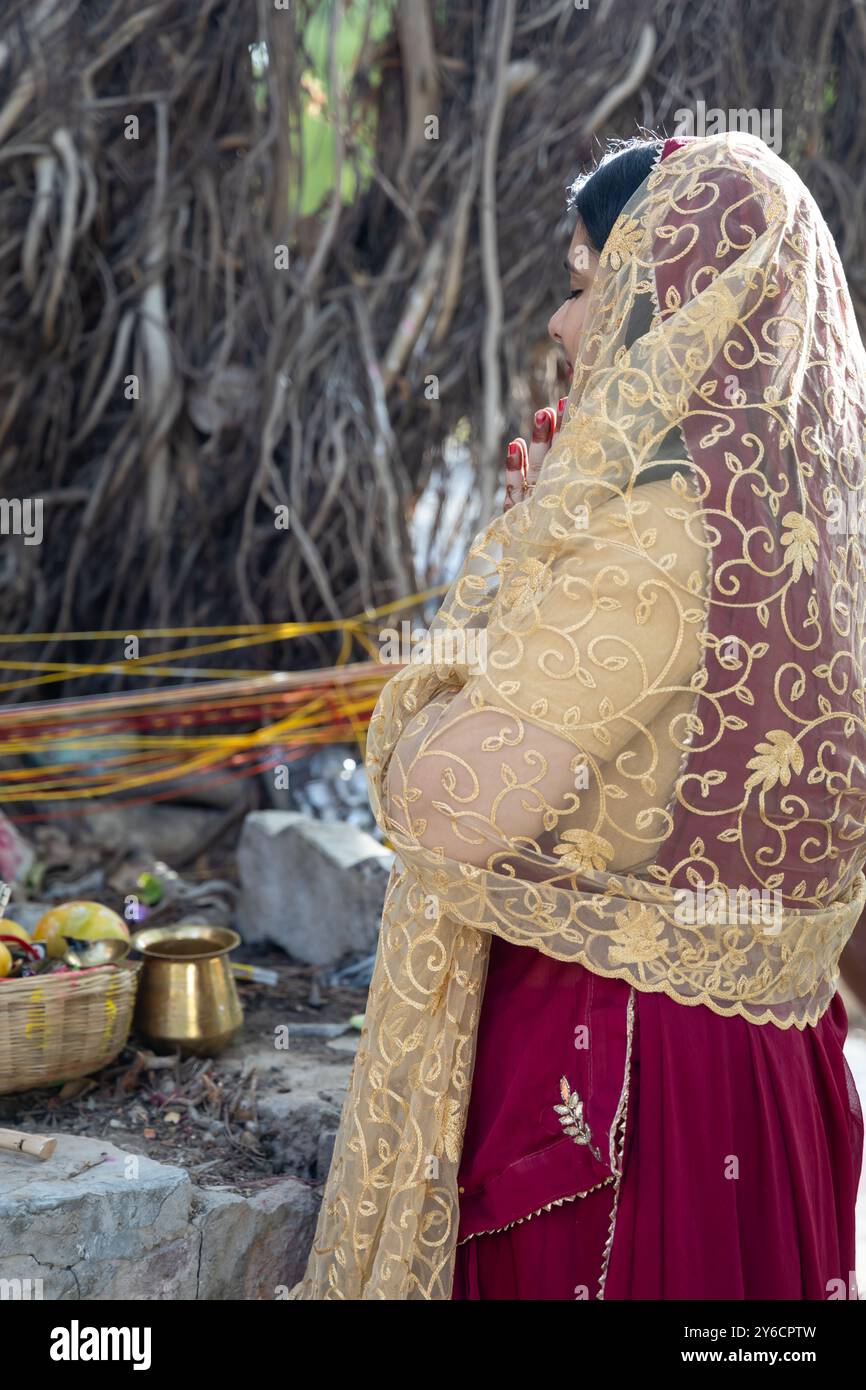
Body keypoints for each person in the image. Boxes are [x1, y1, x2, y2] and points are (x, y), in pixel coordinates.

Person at [290, 130, 866, 1301]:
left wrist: (505, 578)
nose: (558, 327)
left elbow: (443, 808)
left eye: (578, 283)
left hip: (625, 1099)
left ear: (664, 301)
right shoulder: (807, 547)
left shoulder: (652, 544)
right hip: (765, 1080)